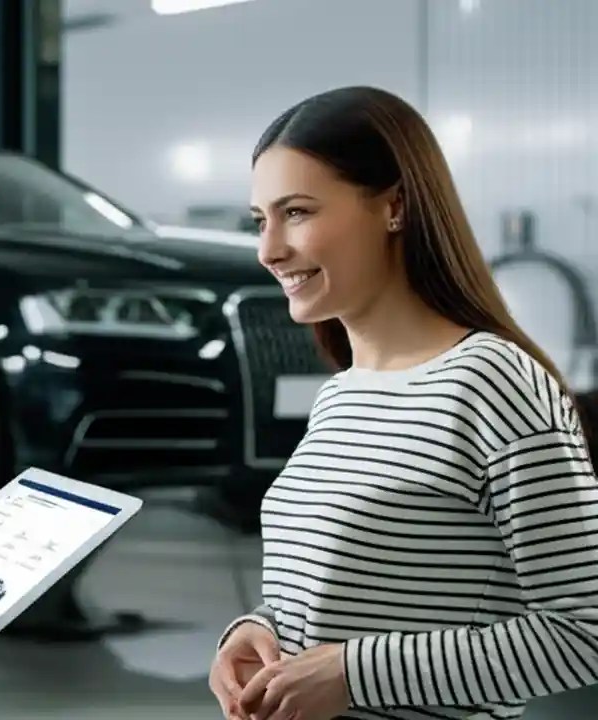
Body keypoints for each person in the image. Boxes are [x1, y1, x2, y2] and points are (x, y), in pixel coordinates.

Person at [209, 85, 598, 720]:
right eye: (261, 219)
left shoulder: (493, 384)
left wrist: (353, 673)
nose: (268, 249)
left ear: (393, 205)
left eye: (298, 212)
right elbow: (338, 598)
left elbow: (585, 632)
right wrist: (255, 631)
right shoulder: (342, 394)